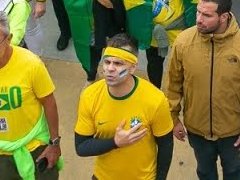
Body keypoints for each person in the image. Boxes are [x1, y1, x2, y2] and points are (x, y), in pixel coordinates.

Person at [164, 0, 240, 180]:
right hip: (196, 128)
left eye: (207, 15)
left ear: (224, 17)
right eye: (199, 12)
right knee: (204, 171)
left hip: (232, 130)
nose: (199, 19)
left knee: (233, 170)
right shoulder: (183, 42)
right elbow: (173, 85)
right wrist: (173, 119)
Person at [0, 11, 62, 180]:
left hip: (35, 148)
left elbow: (49, 102)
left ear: (8, 39)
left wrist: (54, 143)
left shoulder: (31, 65)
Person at [73, 34, 175, 180]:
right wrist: (115, 142)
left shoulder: (155, 99)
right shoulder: (90, 96)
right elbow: (81, 147)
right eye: (107, 62)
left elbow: (166, 145)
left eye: (118, 63)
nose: (110, 68)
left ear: (133, 67)